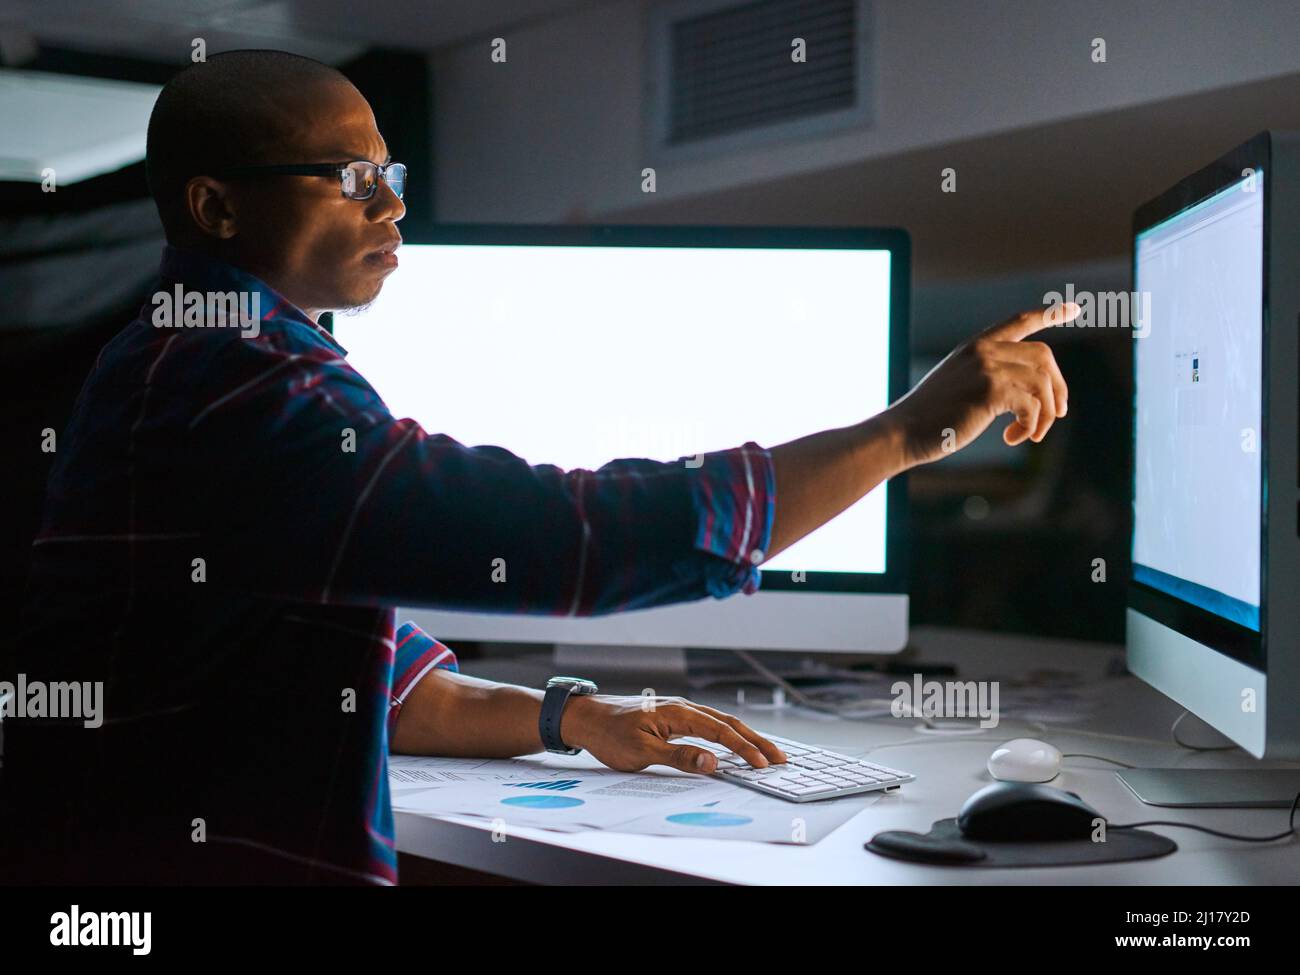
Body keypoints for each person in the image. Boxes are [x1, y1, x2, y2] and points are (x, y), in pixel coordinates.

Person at [2, 50, 1075, 885]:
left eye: (392, 174)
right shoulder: (234, 379)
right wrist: (906, 434)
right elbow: (554, 537)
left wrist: (573, 717)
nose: (391, 205)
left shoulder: (201, 356)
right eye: (349, 179)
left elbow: (352, 673)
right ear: (216, 208)